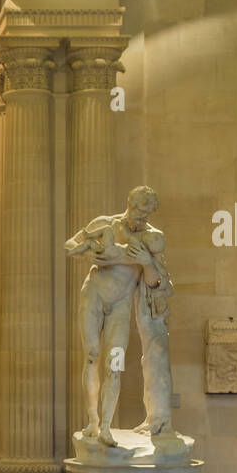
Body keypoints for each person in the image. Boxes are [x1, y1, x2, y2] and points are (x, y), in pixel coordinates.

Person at [65, 185, 170, 445]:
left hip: (121, 305)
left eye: (145, 214)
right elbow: (70, 246)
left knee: (115, 364)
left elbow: (157, 281)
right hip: (94, 295)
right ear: (129, 204)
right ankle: (93, 421)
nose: (139, 217)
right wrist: (94, 253)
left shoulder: (151, 239)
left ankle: (106, 427)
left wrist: (145, 262)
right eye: (136, 210)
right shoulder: (106, 224)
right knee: (91, 356)